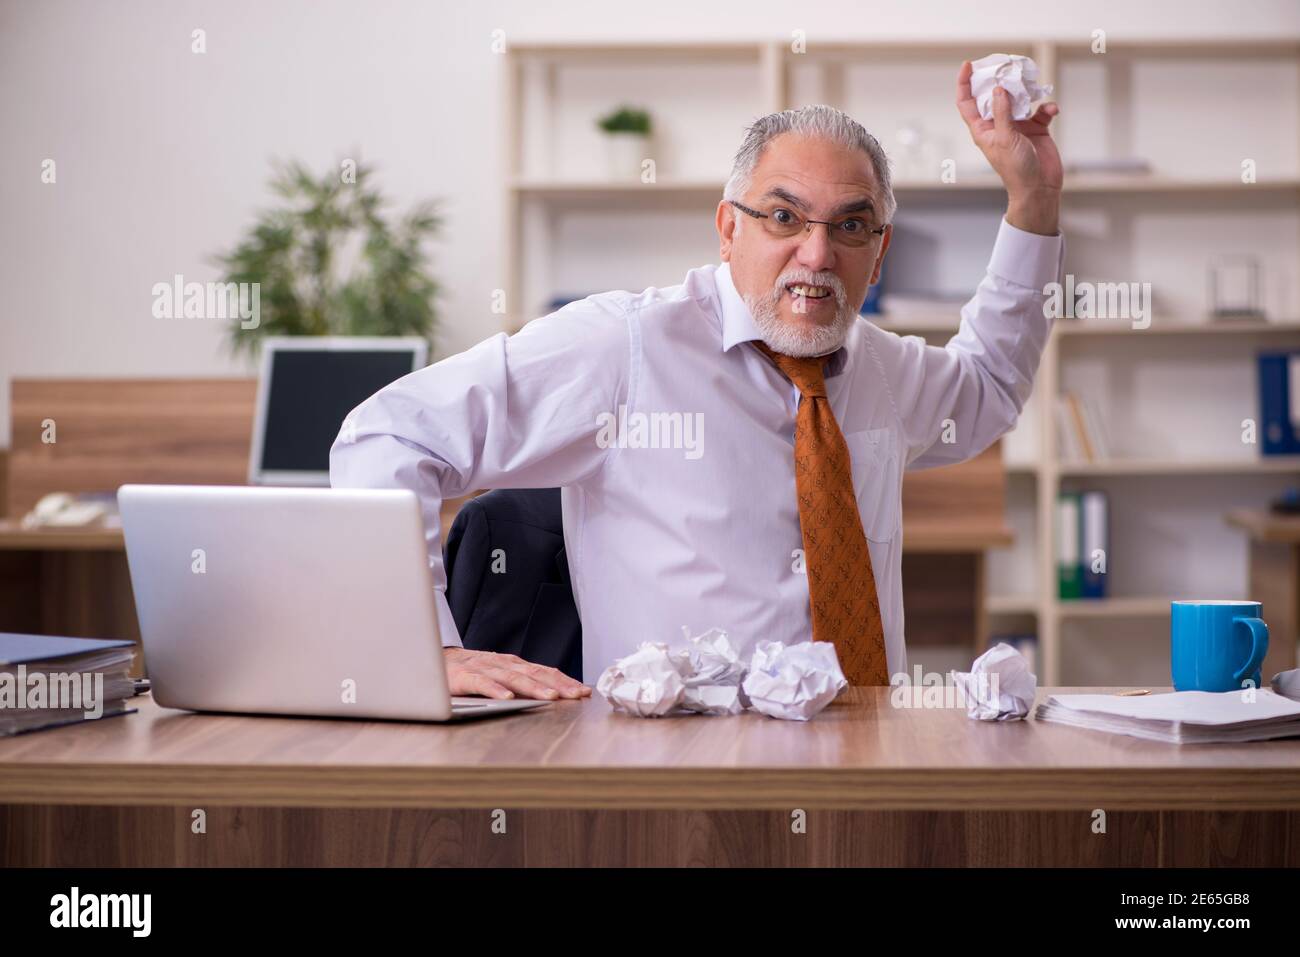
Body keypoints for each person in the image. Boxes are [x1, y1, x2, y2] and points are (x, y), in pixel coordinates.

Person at [330, 61, 1064, 701]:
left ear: (879, 254)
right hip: (676, 788)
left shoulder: (879, 367)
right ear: (728, 228)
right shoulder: (626, 347)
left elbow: (990, 387)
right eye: (784, 216)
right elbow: (388, 433)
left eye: (850, 226)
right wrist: (425, 648)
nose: (816, 252)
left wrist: (1032, 203)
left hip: (864, 774)